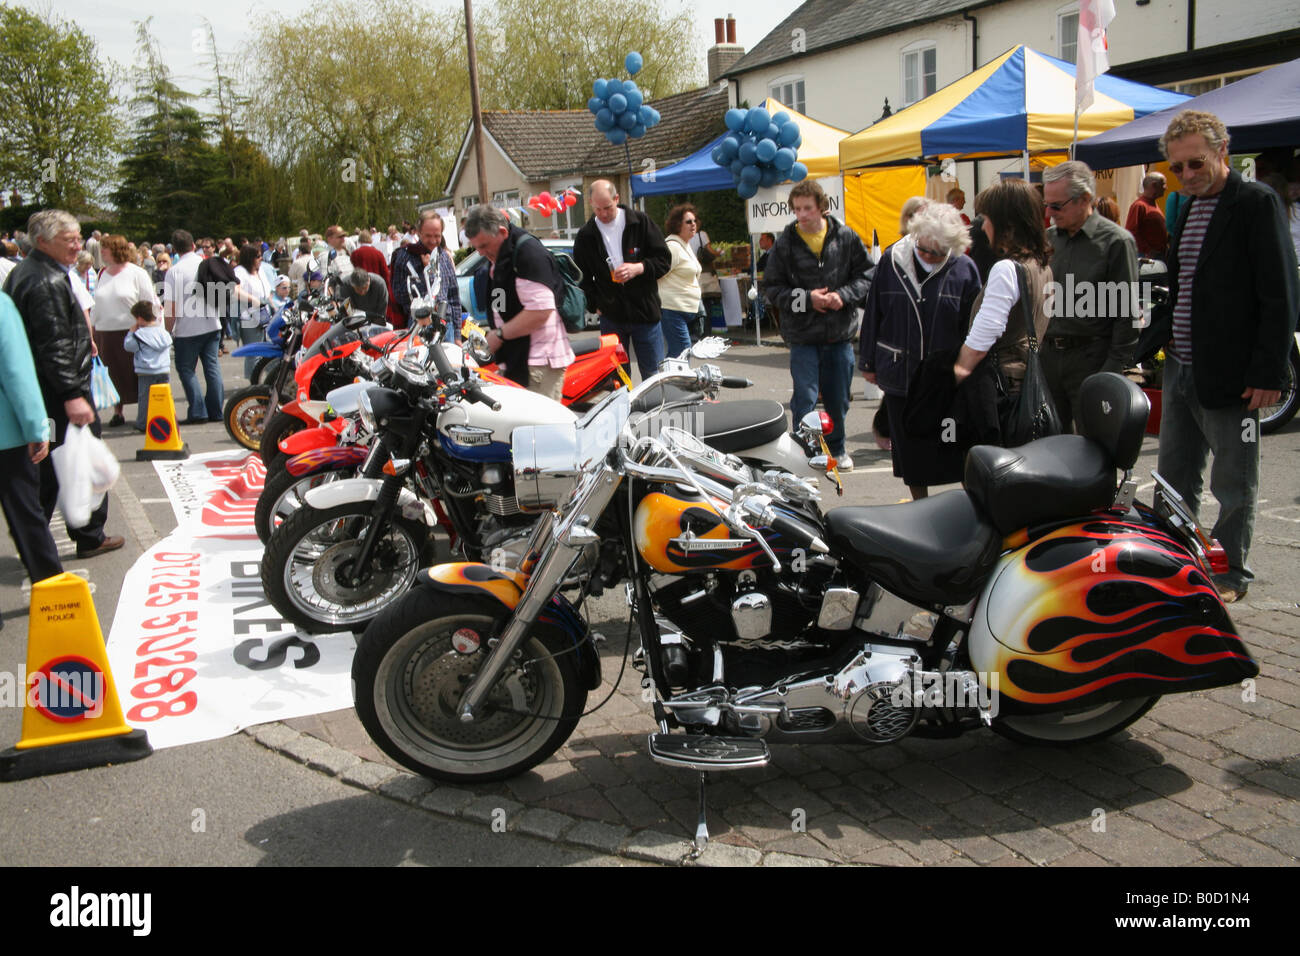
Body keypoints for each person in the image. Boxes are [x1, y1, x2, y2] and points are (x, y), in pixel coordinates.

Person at [1154, 110, 1299, 603]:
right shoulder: (1188, 207)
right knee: (1173, 476)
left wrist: (1269, 371)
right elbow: (1182, 287)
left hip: (1234, 373)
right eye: (1178, 168)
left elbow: (1280, 293)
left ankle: (1232, 571)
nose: (1187, 175)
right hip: (1182, 367)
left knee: (1233, 479)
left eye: (1196, 163)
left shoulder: (1255, 202)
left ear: (1223, 152)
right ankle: (1175, 561)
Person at [2, 209, 124, 559]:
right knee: (59, 467)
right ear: (42, 241)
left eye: (77, 237)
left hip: (47, 392)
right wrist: (72, 395)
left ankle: (52, 539)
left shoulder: (33, 273)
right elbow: (53, 344)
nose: (78, 245)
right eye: (68, 240)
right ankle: (74, 538)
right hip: (57, 393)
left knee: (49, 469)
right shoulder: (44, 280)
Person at [860, 202, 981, 496]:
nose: (928, 256)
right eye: (923, 249)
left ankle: (972, 504)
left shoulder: (965, 268)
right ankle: (919, 507)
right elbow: (874, 311)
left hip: (946, 376)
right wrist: (868, 362)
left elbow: (975, 324)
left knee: (955, 445)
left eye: (937, 253)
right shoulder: (891, 260)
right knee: (912, 450)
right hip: (901, 371)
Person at [764, 179, 872, 473]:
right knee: (806, 397)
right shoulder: (785, 243)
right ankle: (806, 449)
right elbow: (772, 289)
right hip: (802, 336)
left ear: (822, 207)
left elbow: (866, 276)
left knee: (838, 398)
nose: (801, 215)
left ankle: (837, 447)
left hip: (838, 334)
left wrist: (843, 296)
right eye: (797, 209)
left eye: (807, 208)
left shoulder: (846, 237)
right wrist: (807, 299)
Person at [1041, 160, 1140, 432]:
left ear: (1084, 199)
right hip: (1049, 358)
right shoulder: (1048, 240)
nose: (1049, 212)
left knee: (1095, 446)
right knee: (1051, 446)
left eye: (1057, 205)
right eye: (1046, 204)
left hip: (1091, 358)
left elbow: (1127, 313)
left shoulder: (1116, 242)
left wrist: (1110, 370)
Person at [952, 179, 1053, 407]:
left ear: (1006, 224)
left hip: (1000, 388)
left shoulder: (1007, 269)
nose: (983, 226)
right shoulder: (1041, 265)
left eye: (986, 219)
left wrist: (949, 384)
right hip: (1027, 383)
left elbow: (978, 345)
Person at [463, 204, 574, 402]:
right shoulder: (502, 253)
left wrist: (499, 334)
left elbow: (540, 311)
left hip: (537, 363)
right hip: (519, 360)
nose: (480, 253)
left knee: (537, 431)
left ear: (502, 232)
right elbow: (502, 302)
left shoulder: (527, 254)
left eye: (484, 245)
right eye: (477, 247)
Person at [572, 179, 672, 380]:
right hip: (612, 316)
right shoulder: (586, 235)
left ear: (617, 198)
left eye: (608, 207)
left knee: (654, 375)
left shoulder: (640, 222)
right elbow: (580, 276)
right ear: (591, 202)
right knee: (617, 377)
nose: (603, 214)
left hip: (645, 311)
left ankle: (656, 411)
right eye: (598, 209)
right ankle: (623, 411)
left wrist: (638, 267)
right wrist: (594, 304)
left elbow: (664, 260)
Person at [0, 290, 61, 583]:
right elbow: (17, 373)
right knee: (27, 516)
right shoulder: (1, 306)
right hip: (6, 436)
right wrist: (38, 429)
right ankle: (53, 593)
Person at [92, 234, 160, 427]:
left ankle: (144, 413)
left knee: (137, 373)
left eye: (105, 248)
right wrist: (92, 327)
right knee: (113, 374)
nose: (101, 252)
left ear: (116, 249)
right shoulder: (103, 273)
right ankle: (118, 412)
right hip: (106, 331)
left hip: (132, 330)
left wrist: (146, 325)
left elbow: (148, 301)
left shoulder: (136, 273)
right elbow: (97, 303)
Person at [163, 229, 223, 426]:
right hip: (212, 322)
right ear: (193, 245)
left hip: (188, 327)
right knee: (212, 366)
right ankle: (216, 410)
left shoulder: (174, 272)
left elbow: (170, 307)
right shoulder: (205, 263)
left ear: (175, 249)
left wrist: (167, 330)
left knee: (186, 369)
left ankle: (198, 410)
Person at [391, 211, 461, 335]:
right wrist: (427, 273)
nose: (433, 240)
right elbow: (399, 294)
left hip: (446, 324)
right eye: (428, 236)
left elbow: (453, 296)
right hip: (419, 326)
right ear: (419, 233)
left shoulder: (444, 257)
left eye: (437, 236)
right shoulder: (405, 256)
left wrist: (457, 334)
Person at [658, 204, 703, 360]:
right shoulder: (673, 247)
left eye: (694, 220)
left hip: (684, 309)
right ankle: (670, 383)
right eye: (688, 222)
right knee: (682, 353)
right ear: (677, 225)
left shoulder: (686, 246)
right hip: (672, 309)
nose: (693, 224)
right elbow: (657, 274)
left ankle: (666, 382)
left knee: (678, 355)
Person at [123, 300, 172, 433]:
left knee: (145, 399)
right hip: (163, 369)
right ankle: (167, 419)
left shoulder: (139, 335)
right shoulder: (163, 333)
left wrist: (131, 332)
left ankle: (143, 423)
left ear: (139, 318)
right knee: (165, 397)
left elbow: (129, 346)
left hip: (146, 371)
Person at [234, 244, 272, 377]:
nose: (261, 258)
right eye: (258, 256)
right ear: (249, 258)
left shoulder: (260, 271)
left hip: (264, 314)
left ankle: (268, 379)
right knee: (254, 353)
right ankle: (253, 382)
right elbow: (235, 291)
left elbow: (268, 293)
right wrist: (254, 300)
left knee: (269, 350)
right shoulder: (240, 271)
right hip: (249, 316)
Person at [1125, 172, 1169, 259]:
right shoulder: (1139, 205)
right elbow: (1131, 232)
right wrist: (1148, 250)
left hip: (1158, 255)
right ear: (1154, 185)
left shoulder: (1152, 204)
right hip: (1148, 257)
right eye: (1164, 184)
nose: (1166, 188)